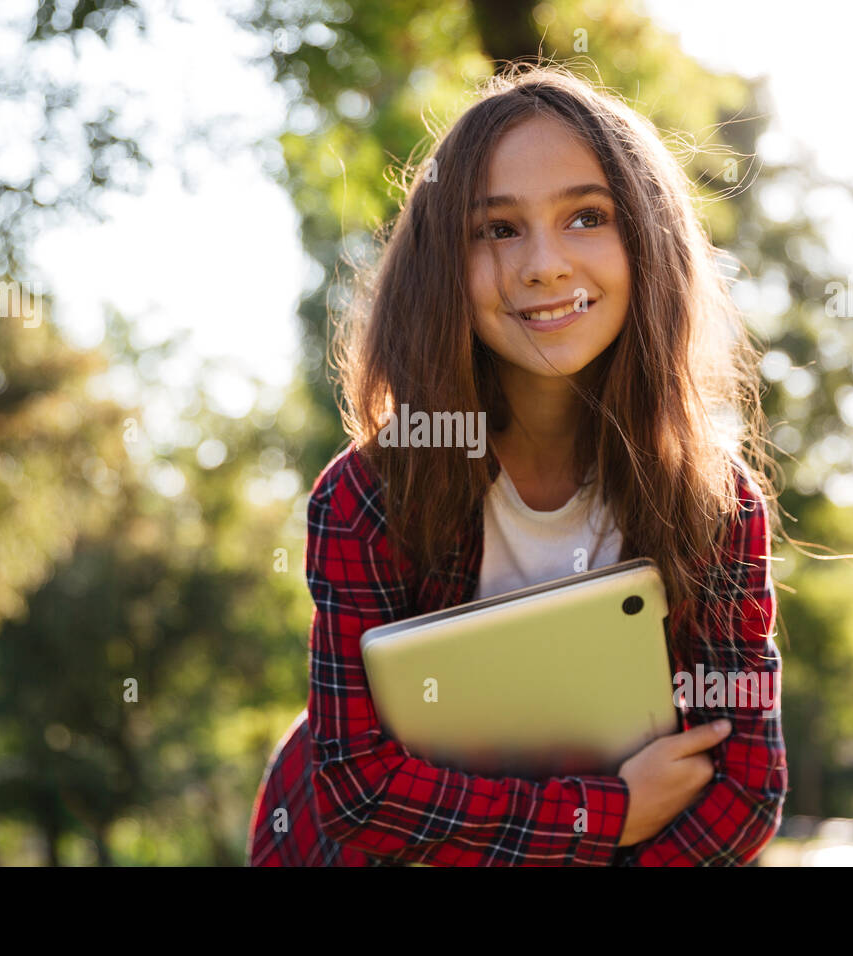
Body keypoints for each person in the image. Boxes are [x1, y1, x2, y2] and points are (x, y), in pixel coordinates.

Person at [247, 64, 787, 866]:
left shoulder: (718, 507)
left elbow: (745, 789)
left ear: (649, 241)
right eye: (497, 229)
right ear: (443, 269)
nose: (543, 264)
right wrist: (604, 816)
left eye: (587, 217)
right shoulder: (366, 498)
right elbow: (361, 791)